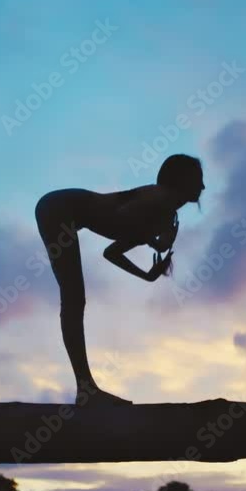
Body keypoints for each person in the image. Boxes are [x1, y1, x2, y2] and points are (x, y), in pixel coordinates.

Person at [35, 154, 205, 406]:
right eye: (199, 180)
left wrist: (148, 272)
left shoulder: (163, 212)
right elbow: (123, 215)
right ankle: (85, 389)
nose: (202, 187)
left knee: (74, 298)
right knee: (73, 297)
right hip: (59, 209)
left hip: (57, 207)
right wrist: (152, 238)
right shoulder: (161, 199)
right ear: (183, 179)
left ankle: (85, 389)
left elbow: (111, 251)